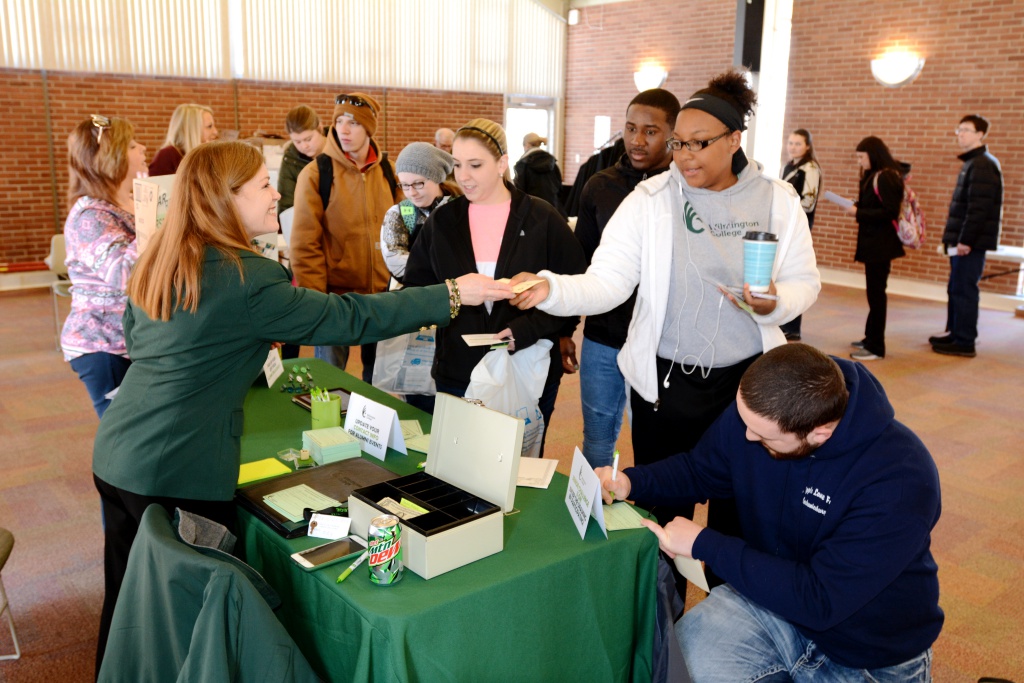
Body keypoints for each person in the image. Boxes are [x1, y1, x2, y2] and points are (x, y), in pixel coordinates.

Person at [91, 140, 512, 674]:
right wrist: (449, 295)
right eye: (264, 186)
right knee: (197, 615)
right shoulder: (246, 277)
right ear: (227, 199)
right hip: (176, 471)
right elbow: (348, 317)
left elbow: (141, 341)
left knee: (129, 600)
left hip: (118, 456)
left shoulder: (163, 255)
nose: (277, 195)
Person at [509, 70, 819, 543]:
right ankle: (660, 609)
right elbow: (608, 281)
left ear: (735, 139)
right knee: (659, 510)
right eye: (678, 144)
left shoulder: (777, 201)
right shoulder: (650, 200)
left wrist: (777, 302)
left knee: (738, 513)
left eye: (699, 143)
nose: (684, 156)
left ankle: (726, 599)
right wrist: (552, 289)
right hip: (666, 383)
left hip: (746, 384)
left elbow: (805, 281)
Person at [599, 343, 942, 682]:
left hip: (867, 652)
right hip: (769, 603)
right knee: (679, 663)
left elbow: (820, 599)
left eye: (763, 437)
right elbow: (701, 470)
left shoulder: (900, 478)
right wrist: (631, 482)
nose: (746, 436)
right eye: (744, 421)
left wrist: (706, 544)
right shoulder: (764, 408)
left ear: (819, 433)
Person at [404, 119, 587, 456]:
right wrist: (448, 297)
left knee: (518, 469)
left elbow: (574, 291)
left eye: (475, 165)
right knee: (457, 463)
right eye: (456, 165)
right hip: (458, 369)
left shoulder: (542, 219)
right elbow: (415, 289)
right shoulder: (443, 223)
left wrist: (526, 330)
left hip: (528, 368)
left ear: (502, 163)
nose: (463, 176)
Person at [573, 87, 679, 469]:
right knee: (597, 440)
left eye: (650, 131)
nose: (636, 140)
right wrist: (564, 330)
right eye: (630, 128)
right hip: (602, 337)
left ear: (672, 133)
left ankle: (649, 522)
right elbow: (579, 263)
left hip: (658, 342)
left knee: (652, 443)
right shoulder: (599, 185)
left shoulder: (684, 189)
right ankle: (594, 519)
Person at [290, 92, 400, 382]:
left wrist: (400, 284)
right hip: (334, 300)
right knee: (328, 383)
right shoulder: (316, 173)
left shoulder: (388, 172)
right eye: (339, 121)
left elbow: (403, 232)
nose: (344, 129)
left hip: (381, 297)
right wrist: (317, 302)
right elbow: (304, 244)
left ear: (369, 128)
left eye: (354, 122)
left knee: (377, 383)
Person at [61, 114, 147, 418]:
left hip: (132, 339)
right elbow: (125, 274)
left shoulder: (129, 204)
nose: (143, 149)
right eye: (133, 145)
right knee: (124, 435)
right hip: (104, 345)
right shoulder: (90, 216)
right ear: (113, 157)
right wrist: (157, 222)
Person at [932, 114, 1003, 358]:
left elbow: (978, 209)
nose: (960, 133)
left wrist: (965, 240)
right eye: (959, 129)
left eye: (966, 130)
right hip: (962, 241)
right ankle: (955, 333)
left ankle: (964, 341)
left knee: (964, 290)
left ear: (980, 134)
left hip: (969, 244)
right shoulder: (973, 162)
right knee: (956, 288)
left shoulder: (982, 163)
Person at [844, 136, 905, 362]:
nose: (860, 161)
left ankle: (876, 346)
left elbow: (890, 212)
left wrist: (857, 213)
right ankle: (870, 337)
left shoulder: (887, 176)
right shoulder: (874, 175)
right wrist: (858, 206)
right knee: (874, 294)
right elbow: (876, 206)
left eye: (862, 157)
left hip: (881, 245)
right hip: (873, 243)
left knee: (877, 296)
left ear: (873, 154)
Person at [381, 142, 460, 283]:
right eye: (405, 185)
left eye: (418, 183)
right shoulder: (399, 214)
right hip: (415, 297)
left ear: (436, 177)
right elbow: (394, 261)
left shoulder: (460, 209)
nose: (411, 192)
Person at [779, 128, 821, 342]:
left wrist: (788, 207)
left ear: (807, 147)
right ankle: (784, 320)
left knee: (795, 272)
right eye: (790, 142)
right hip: (785, 226)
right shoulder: (789, 166)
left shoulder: (810, 168)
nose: (792, 147)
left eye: (797, 144)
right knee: (782, 273)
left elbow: (808, 202)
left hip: (799, 226)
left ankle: (793, 327)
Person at [277, 105, 327, 215]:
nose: (304, 146)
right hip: (307, 222)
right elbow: (286, 205)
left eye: (308, 139)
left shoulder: (341, 147)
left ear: (320, 128)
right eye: (297, 142)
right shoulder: (291, 159)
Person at [148, 104, 218, 176]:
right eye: (209, 126)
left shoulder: (205, 157)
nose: (215, 132)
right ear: (191, 130)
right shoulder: (167, 156)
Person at [513, 132, 565, 217]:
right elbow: (559, 189)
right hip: (553, 211)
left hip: (531, 212)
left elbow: (519, 191)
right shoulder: (552, 163)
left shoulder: (523, 164)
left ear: (527, 145)